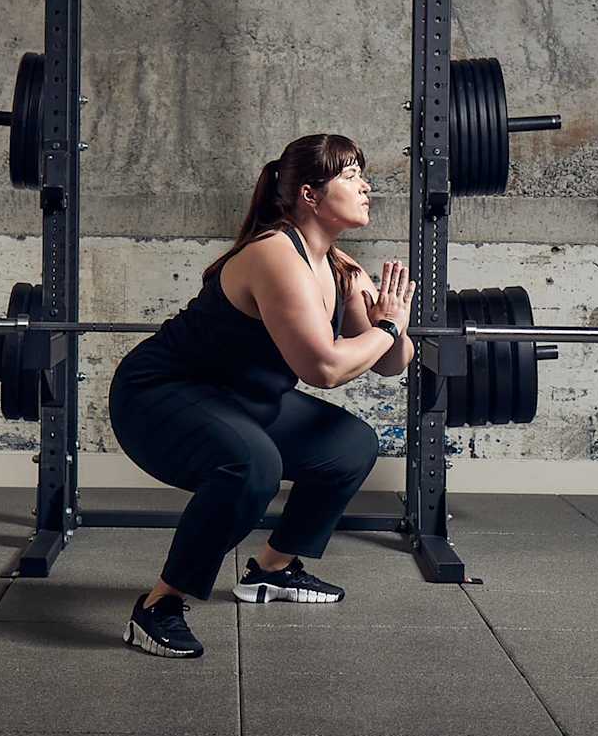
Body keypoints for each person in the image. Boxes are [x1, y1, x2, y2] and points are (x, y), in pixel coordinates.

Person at [108, 134, 416, 658]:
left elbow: (390, 363)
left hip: (241, 399)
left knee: (350, 444)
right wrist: (385, 330)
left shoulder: (341, 267)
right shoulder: (275, 255)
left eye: (362, 175)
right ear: (310, 195)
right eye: (350, 176)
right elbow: (324, 369)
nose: (366, 186)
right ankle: (158, 606)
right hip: (160, 395)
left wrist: (393, 324)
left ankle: (272, 570)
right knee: (253, 466)